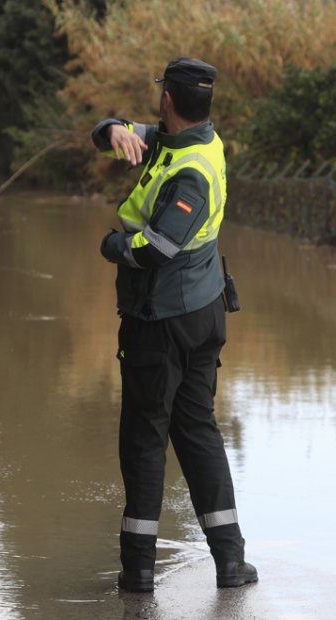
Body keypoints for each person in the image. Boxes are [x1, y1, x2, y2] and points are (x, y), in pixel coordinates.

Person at [91, 57, 257, 593]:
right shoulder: (193, 140)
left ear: (167, 99)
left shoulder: (189, 171)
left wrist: (113, 246)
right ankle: (231, 562)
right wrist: (113, 128)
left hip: (161, 323)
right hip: (204, 314)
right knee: (197, 431)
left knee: (144, 439)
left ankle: (138, 572)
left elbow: (159, 247)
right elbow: (111, 133)